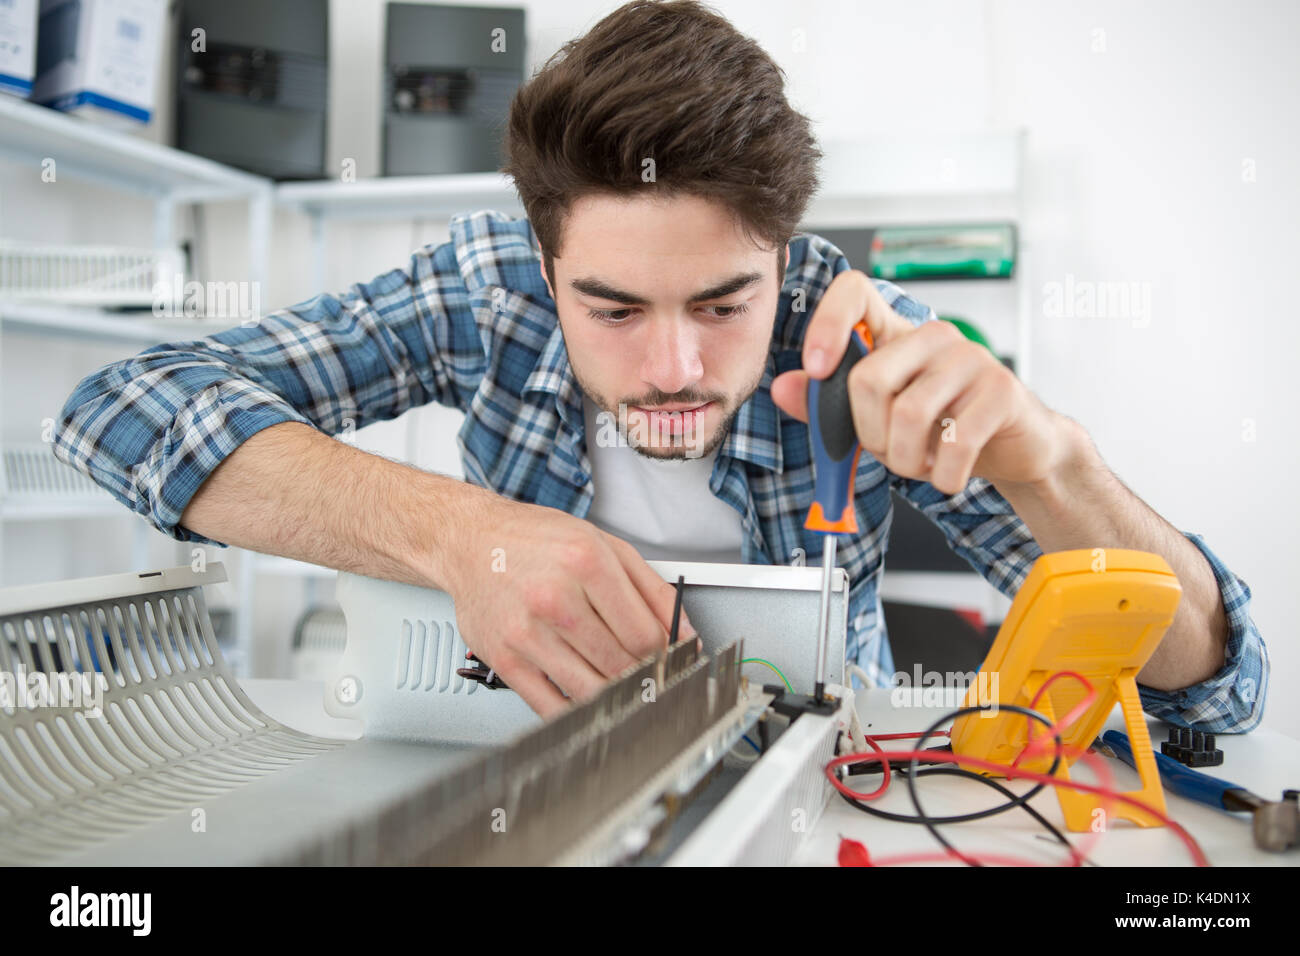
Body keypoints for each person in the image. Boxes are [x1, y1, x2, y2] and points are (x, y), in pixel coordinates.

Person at [54, 0, 1266, 728]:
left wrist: (1054, 458)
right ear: (543, 258)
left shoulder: (868, 334)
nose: (676, 366)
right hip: (527, 770)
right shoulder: (485, 285)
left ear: (782, 255)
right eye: (614, 307)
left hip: (828, 777)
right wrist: (458, 534)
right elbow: (121, 407)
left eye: (725, 300)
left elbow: (1211, 690)